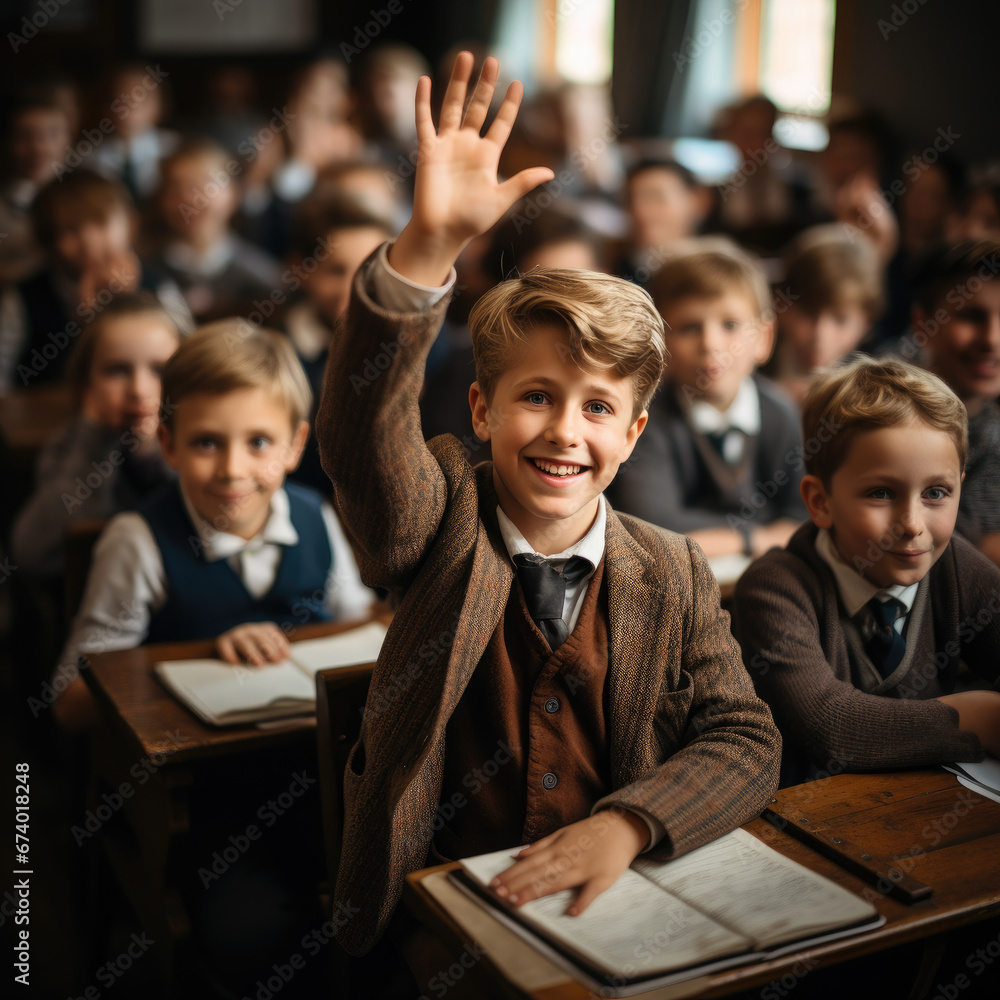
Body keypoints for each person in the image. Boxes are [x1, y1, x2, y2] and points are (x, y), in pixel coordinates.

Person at [317, 51, 780, 963]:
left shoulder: (674, 568)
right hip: (444, 905)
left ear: (635, 432)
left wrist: (631, 826)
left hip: (625, 895)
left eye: (598, 408)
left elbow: (746, 738)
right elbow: (360, 439)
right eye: (536, 397)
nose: (566, 431)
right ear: (482, 409)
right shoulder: (440, 514)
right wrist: (424, 251)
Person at [52, 320, 372, 732]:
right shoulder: (138, 541)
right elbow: (71, 700)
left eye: (258, 442)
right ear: (168, 445)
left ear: (294, 446)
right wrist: (204, 655)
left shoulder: (317, 515)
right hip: (199, 780)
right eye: (206, 442)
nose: (233, 471)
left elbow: (359, 625)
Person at [733, 355, 1000, 787]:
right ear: (820, 501)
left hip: (922, 805)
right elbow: (832, 727)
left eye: (936, 492)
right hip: (807, 821)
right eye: (881, 493)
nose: (912, 523)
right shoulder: (774, 588)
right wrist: (982, 718)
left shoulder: (952, 564)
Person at [608, 238, 806, 559]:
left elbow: (802, 520)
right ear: (660, 341)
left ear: (764, 339)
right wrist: (754, 539)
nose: (711, 344)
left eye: (730, 325)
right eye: (688, 327)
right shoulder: (648, 420)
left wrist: (711, 535)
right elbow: (649, 526)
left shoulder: (779, 413)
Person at [12, 292, 180, 581]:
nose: (139, 389)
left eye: (159, 370)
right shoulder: (67, 448)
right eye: (117, 370)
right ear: (87, 382)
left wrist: (150, 454)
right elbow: (32, 553)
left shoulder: (196, 443)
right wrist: (94, 438)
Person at [0, 168, 191, 391]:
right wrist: (82, 322)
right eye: (70, 230)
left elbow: (190, 358)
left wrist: (128, 303)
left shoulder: (157, 288)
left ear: (129, 225)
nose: (89, 242)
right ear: (48, 240)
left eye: (100, 223)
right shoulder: (24, 298)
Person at [282, 192, 394, 491]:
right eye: (337, 270)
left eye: (369, 271)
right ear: (302, 269)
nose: (354, 288)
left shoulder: (415, 344)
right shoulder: (278, 349)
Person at [908, 239, 1000, 565]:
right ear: (923, 324)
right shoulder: (876, 411)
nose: (992, 338)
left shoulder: (993, 430)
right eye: (972, 317)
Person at [145, 138, 281, 322]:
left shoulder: (264, 280)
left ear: (233, 193)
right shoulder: (145, 277)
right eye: (175, 187)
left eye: (201, 186)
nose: (188, 199)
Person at [768, 227, 884, 406]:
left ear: (867, 323)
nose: (820, 335)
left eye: (841, 320)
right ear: (780, 305)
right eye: (808, 313)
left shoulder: (875, 394)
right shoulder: (745, 371)